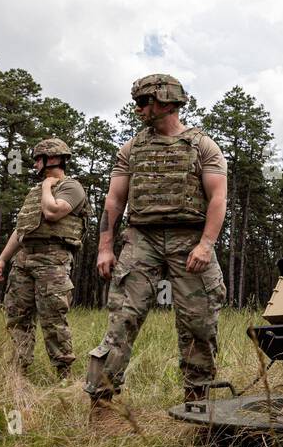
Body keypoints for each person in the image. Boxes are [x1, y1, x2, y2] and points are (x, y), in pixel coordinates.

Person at [84, 74, 228, 419]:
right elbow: (114, 201)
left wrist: (206, 244)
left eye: (144, 102)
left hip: (190, 238)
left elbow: (218, 198)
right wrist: (105, 246)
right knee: (122, 321)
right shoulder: (131, 149)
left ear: (166, 101)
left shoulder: (203, 145)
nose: (137, 109)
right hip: (141, 238)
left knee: (199, 325)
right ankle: (101, 410)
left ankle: (198, 408)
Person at [0, 138, 89, 381]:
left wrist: (48, 185)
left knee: (53, 319)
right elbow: (21, 230)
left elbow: (52, 212)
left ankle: (63, 377)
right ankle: (17, 374)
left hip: (52, 260)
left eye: (39, 158)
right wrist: (3, 259)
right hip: (24, 260)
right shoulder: (35, 192)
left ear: (53, 159)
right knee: (17, 318)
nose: (35, 163)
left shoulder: (72, 187)